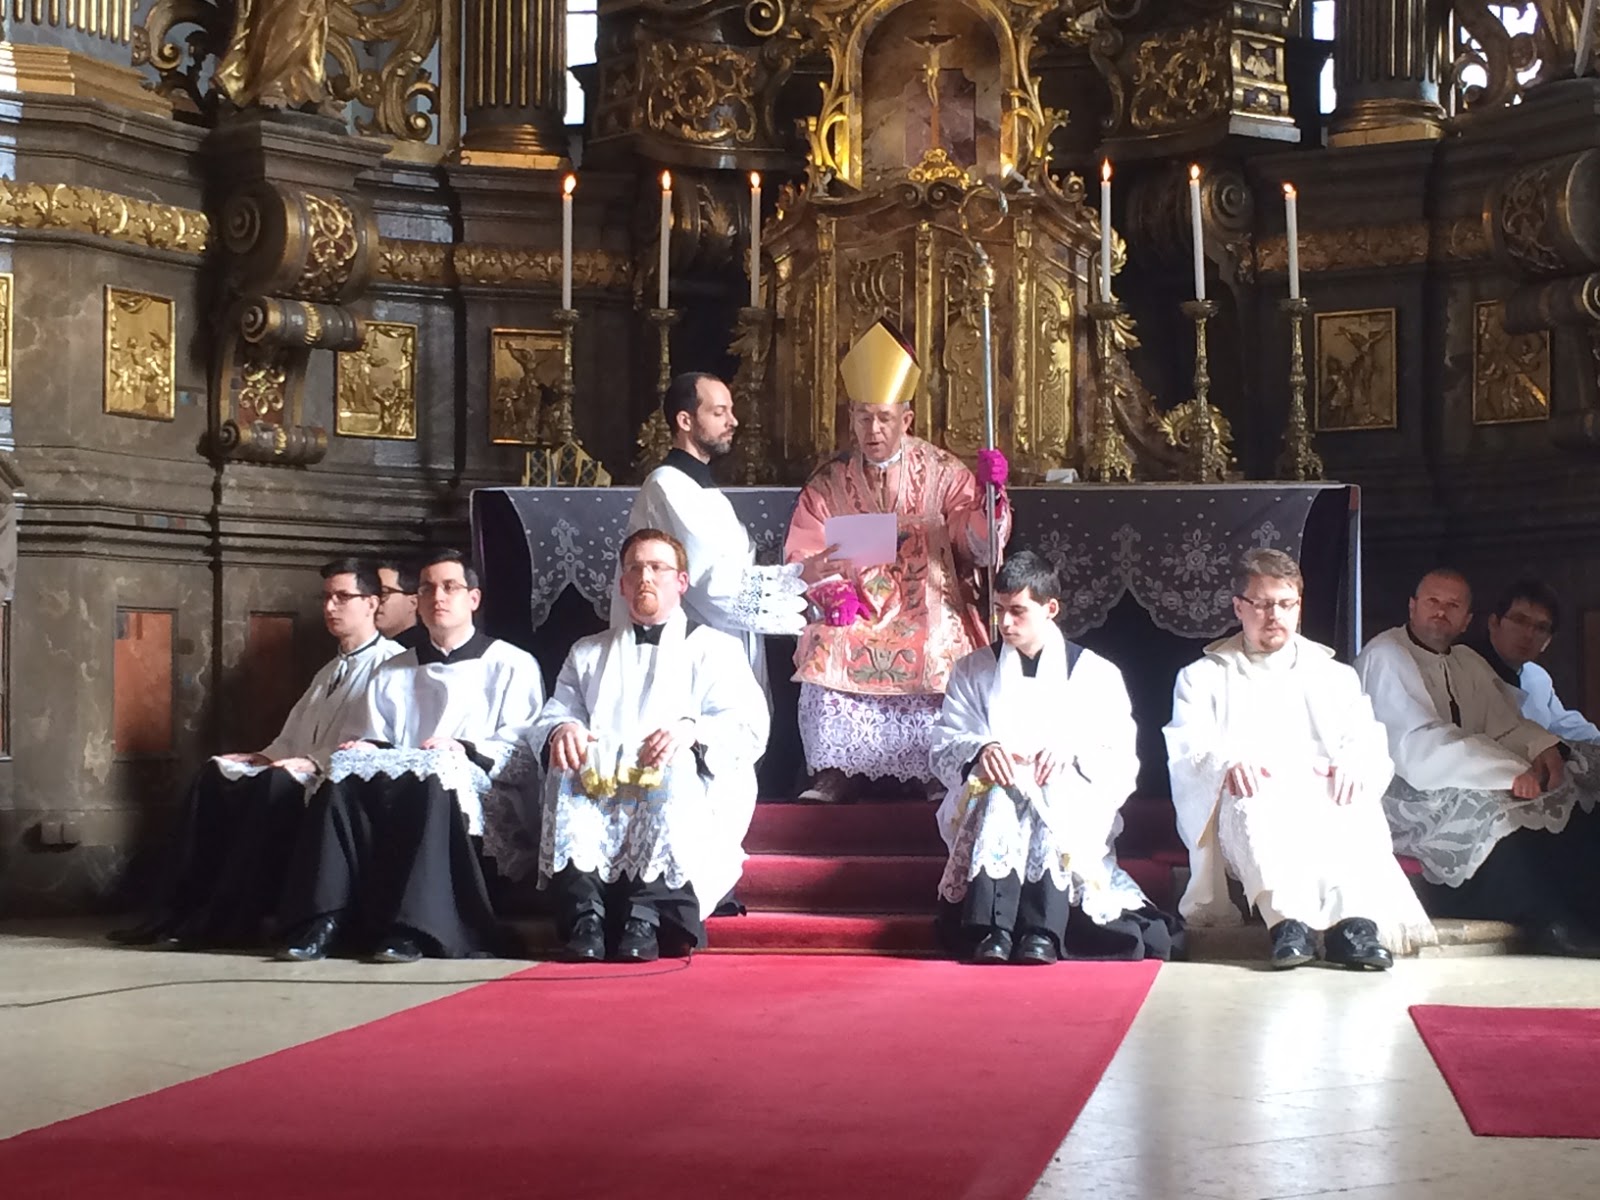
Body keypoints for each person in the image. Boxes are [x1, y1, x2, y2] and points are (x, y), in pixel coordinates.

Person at [111, 560, 403, 948]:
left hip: (339, 778)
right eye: (326, 598)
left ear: (371, 603)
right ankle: (174, 912)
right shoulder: (329, 669)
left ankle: (228, 919)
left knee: (275, 785)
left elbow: (378, 739)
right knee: (214, 775)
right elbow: (295, 732)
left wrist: (311, 761)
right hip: (298, 765)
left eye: (342, 597)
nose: (330, 607)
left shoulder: (392, 665)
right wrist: (261, 756)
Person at [1165, 550, 1432, 969]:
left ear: (1299, 606)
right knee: (1255, 798)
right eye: (1263, 603)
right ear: (1239, 606)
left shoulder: (1333, 675)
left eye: (1286, 604)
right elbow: (1189, 745)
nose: (1275, 615)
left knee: (1348, 793)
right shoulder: (1203, 676)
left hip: (1319, 790)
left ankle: (1353, 926)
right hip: (1253, 793)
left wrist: (1351, 762)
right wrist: (1228, 762)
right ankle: (1288, 925)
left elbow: (1365, 739)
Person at [276, 550, 546, 963]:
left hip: (475, 790)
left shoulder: (511, 664)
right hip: (400, 783)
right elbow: (371, 735)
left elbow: (522, 747)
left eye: (450, 587)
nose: (438, 596)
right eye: (427, 588)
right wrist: (365, 746)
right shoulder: (393, 670)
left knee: (434, 782)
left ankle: (413, 928)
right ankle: (325, 918)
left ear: (473, 598)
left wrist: (465, 748)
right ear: (415, 601)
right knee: (341, 778)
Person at [785, 318, 1011, 803]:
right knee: (828, 639)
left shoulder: (944, 473)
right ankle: (836, 769)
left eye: (884, 418)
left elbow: (977, 546)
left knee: (940, 643)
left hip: (927, 602)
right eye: (864, 417)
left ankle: (934, 767)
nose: (873, 429)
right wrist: (829, 591)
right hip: (858, 607)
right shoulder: (829, 484)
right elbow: (803, 552)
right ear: (852, 417)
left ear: (906, 419)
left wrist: (990, 500)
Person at [530, 529, 768, 962]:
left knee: (672, 766)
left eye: (658, 568)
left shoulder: (716, 649)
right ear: (621, 584)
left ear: (681, 581)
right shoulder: (587, 652)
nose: (645, 578)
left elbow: (748, 724)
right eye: (635, 569)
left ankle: (647, 915)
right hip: (602, 778)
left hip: (684, 778)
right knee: (568, 762)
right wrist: (563, 728)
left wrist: (692, 731)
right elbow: (555, 711)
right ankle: (588, 913)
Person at [929, 552, 1178, 965]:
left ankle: (1042, 929)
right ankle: (994, 929)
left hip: (1064, 789)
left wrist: (1071, 753)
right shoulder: (973, 670)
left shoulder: (1096, 673)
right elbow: (945, 740)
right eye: (1000, 611)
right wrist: (982, 749)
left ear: (1051, 608)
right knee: (1000, 795)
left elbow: (1118, 752)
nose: (1005, 623)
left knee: (1051, 792)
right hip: (994, 788)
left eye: (1018, 612)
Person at [1354, 568, 1600, 954]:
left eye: (1453, 606)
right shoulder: (1387, 655)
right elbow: (1417, 746)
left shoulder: (1466, 660)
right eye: (1433, 602)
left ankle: (1588, 915)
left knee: (1571, 803)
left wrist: (1542, 748)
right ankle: (1549, 922)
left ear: (1467, 620)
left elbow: (1506, 724)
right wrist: (1509, 771)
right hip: (1409, 793)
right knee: (1505, 820)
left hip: (1466, 776)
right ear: (1413, 606)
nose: (1441, 612)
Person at [623, 372, 838, 693]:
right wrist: (793, 578)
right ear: (685, 420)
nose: (733, 421)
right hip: (693, 651)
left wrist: (798, 574)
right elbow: (711, 581)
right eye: (719, 412)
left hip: (725, 638)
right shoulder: (667, 486)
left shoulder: (701, 489)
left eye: (731, 410)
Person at [1466, 578, 1600, 744]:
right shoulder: (1463, 668)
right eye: (1519, 621)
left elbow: (1565, 725)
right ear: (1494, 623)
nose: (1528, 635)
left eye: (1541, 628)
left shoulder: (1537, 677)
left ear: (1547, 641)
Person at [374, 558, 426, 651]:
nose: (375, 602)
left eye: (383, 593)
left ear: (413, 602)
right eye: (373, 593)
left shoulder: (421, 652)